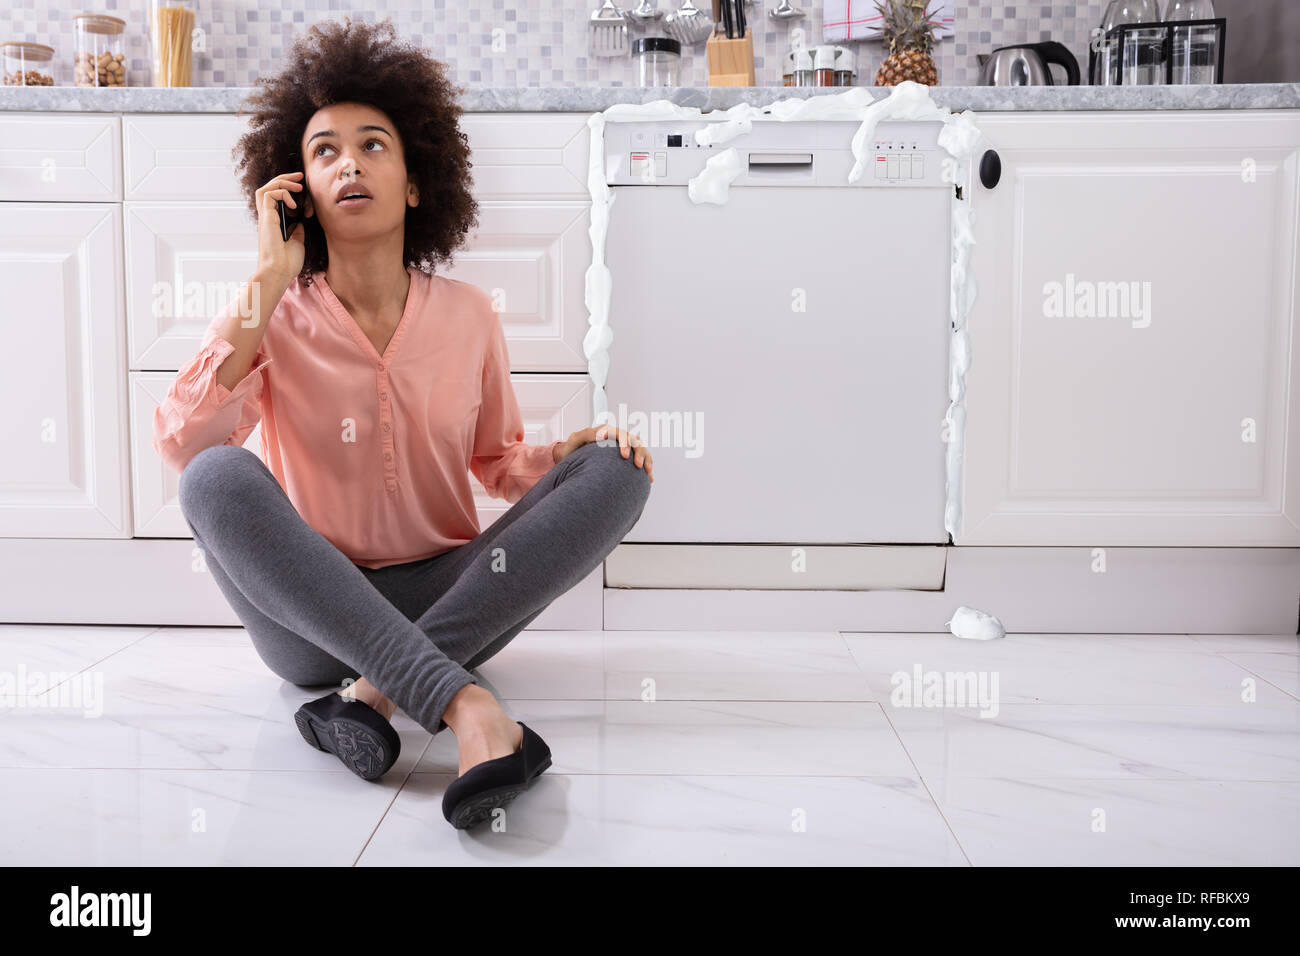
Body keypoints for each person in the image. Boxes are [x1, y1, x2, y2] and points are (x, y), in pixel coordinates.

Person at [151, 17, 653, 830]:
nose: (348, 162)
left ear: (417, 183)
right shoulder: (271, 312)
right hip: (311, 622)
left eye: (373, 145)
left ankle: (378, 693)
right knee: (213, 474)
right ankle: (466, 710)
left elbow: (496, 461)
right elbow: (181, 443)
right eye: (324, 152)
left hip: (450, 592)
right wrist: (268, 277)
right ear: (299, 192)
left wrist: (568, 454)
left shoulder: (469, 316)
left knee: (619, 471)